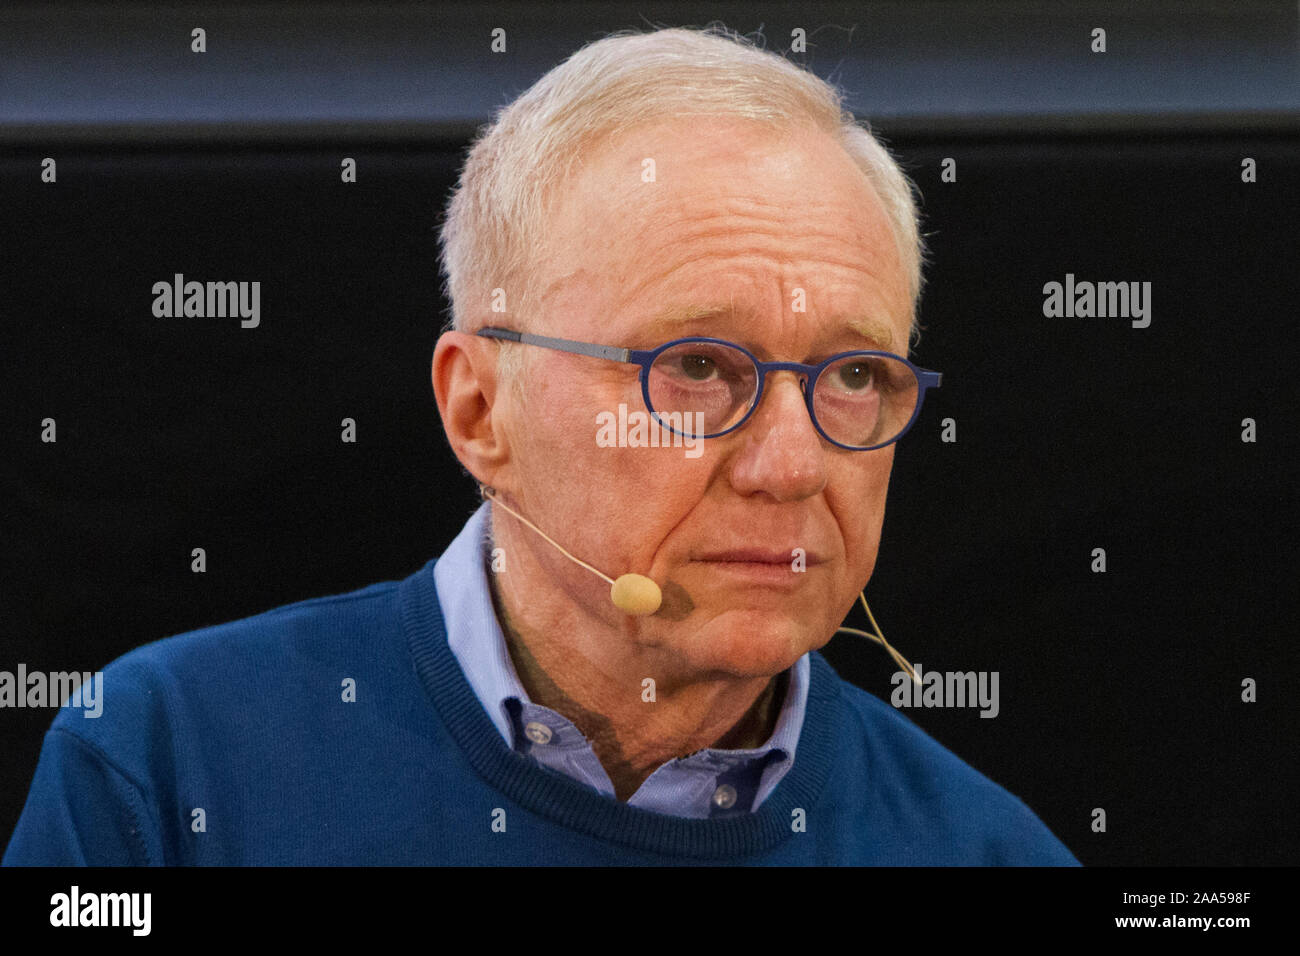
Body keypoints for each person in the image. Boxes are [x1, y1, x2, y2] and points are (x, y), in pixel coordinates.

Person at [4, 25, 1077, 865]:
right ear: (480, 411)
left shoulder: (987, 850)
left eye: (852, 375)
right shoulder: (164, 767)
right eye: (698, 368)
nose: (790, 466)